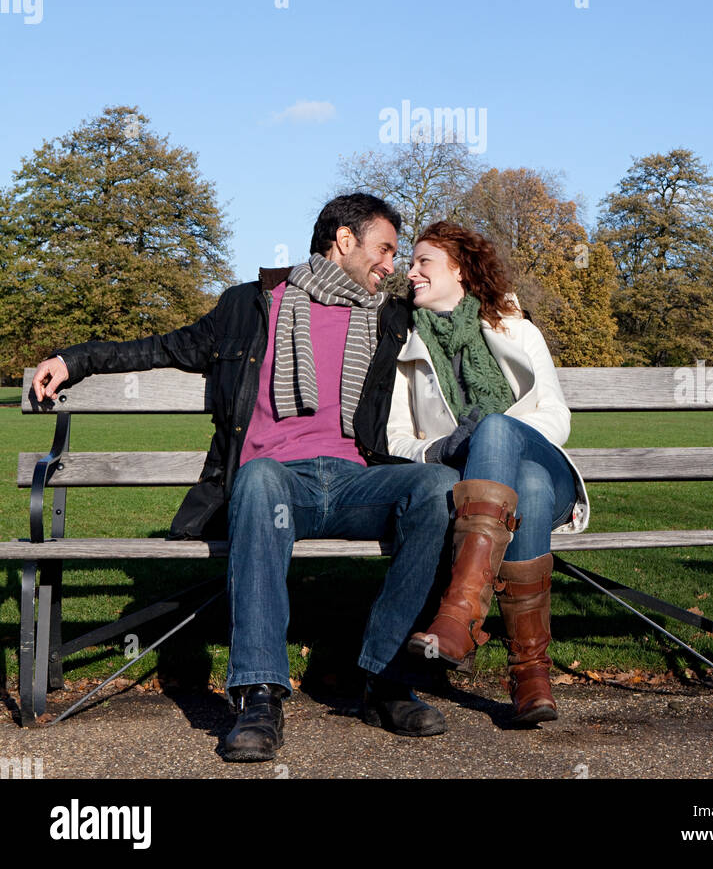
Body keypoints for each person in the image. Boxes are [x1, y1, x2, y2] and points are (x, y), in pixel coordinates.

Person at [31, 193, 458, 760]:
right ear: (345, 240)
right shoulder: (252, 305)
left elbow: (467, 327)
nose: (391, 263)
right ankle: (257, 694)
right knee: (257, 478)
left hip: (358, 482)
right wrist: (74, 359)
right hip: (278, 482)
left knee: (434, 487)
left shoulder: (390, 317)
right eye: (384, 248)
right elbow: (162, 347)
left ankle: (384, 679)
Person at [386, 221, 590, 726]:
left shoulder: (514, 328)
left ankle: (461, 610)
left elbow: (556, 417)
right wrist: (448, 449)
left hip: (547, 464)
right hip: (483, 490)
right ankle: (530, 676)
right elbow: (395, 439)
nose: (408, 272)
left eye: (422, 262)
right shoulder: (404, 346)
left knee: (502, 436)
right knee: (530, 489)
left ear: (458, 268)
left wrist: (494, 435)